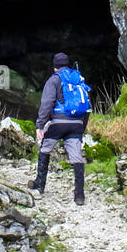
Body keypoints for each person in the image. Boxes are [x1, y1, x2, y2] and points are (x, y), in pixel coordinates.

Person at [30, 51, 91, 205]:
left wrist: (40, 125)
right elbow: (87, 105)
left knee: (45, 149)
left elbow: (46, 104)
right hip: (77, 123)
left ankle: (39, 186)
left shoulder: (54, 80)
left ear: (55, 67)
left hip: (58, 122)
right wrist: (81, 127)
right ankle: (79, 196)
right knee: (76, 157)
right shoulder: (78, 79)